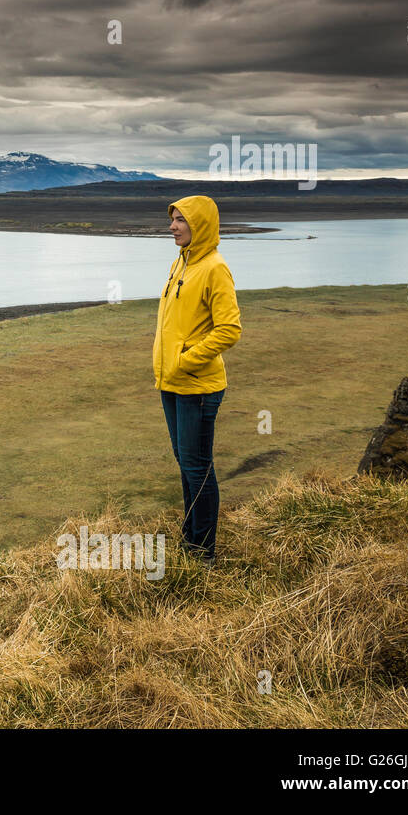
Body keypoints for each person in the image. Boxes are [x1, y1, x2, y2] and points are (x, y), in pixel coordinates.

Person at [152, 195, 242, 564]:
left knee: (197, 466)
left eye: (180, 220)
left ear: (200, 224)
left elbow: (229, 329)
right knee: (186, 463)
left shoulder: (214, 268)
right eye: (172, 219)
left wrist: (187, 360)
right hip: (172, 383)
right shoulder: (180, 262)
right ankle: (190, 538)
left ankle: (203, 554)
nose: (172, 226)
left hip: (198, 387)